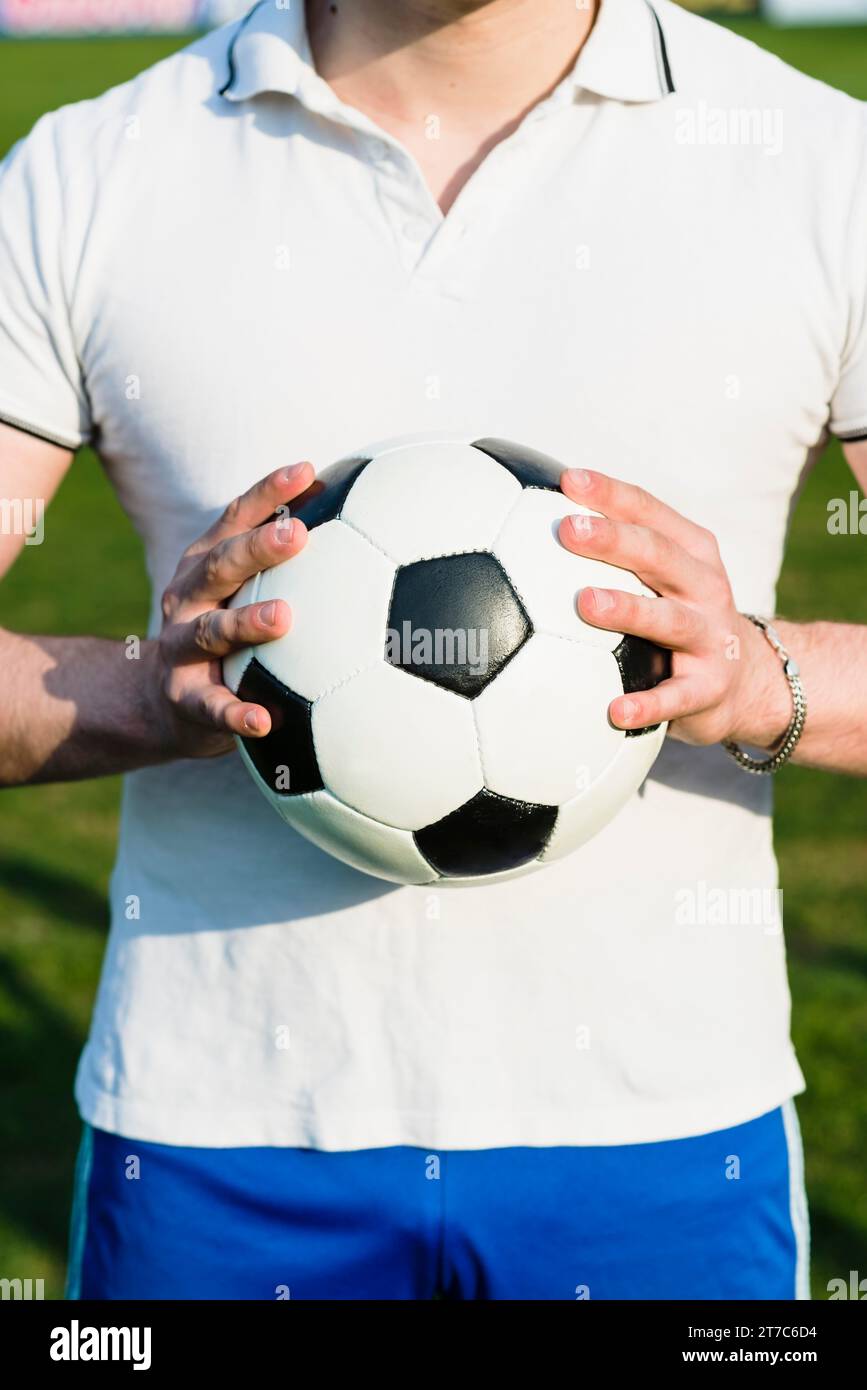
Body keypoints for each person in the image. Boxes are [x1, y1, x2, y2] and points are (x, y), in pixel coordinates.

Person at [0, 0, 865, 1301]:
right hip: (215, 1131)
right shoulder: (91, 172)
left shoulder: (817, 161)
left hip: (666, 1133)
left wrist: (756, 681)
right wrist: (150, 692)